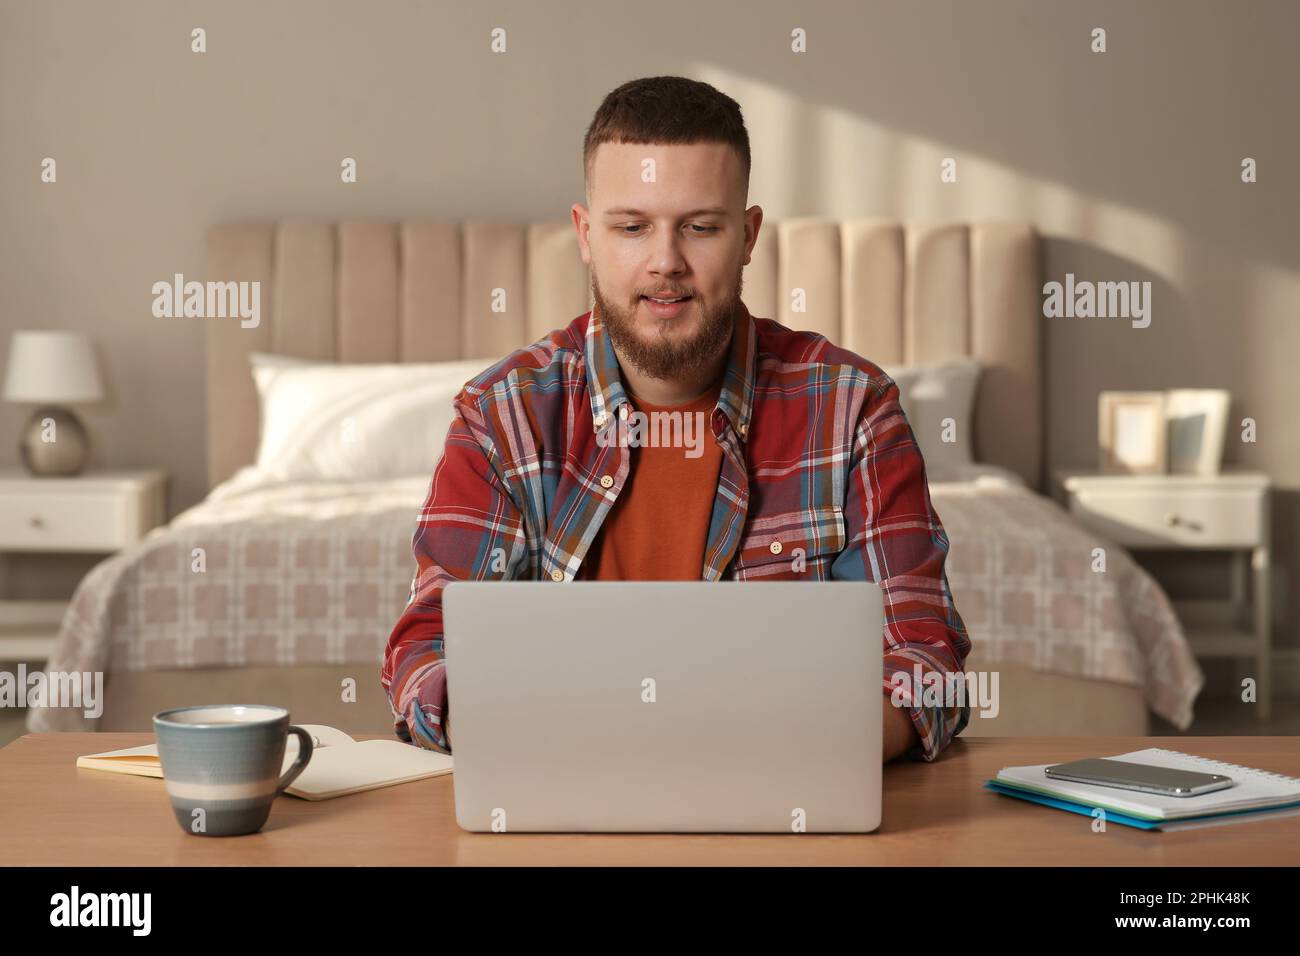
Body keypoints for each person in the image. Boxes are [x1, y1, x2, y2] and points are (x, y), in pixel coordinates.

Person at [382, 75, 971, 764]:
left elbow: (925, 665)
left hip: (788, 814)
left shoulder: (853, 410)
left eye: (700, 227)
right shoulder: (502, 417)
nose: (666, 263)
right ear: (585, 235)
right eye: (631, 227)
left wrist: (763, 753)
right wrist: (529, 731)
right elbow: (426, 653)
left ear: (747, 236)